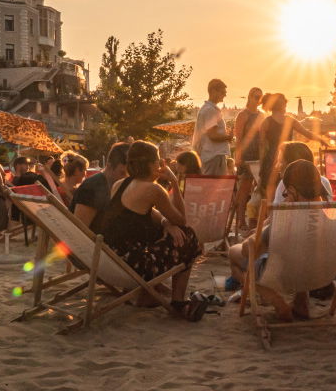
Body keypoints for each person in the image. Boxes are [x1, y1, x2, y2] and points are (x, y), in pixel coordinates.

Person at [103, 141, 202, 313]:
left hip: (113, 259)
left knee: (168, 232)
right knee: (188, 236)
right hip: (135, 266)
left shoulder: (120, 184)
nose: (161, 164)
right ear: (150, 164)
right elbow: (182, 220)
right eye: (158, 160)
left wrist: (165, 223)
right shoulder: (153, 189)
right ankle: (178, 302)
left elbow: (142, 212)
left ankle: (146, 295)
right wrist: (173, 181)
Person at [227, 159, 326, 321]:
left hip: (282, 275)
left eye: (286, 192)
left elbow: (249, 249)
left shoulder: (286, 218)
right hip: (320, 275)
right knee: (304, 255)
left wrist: (268, 223)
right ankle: (302, 302)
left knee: (233, 254)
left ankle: (277, 302)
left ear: (292, 191)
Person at [258, 93, 330, 191]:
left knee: (270, 190)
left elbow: (262, 146)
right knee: (290, 187)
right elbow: (306, 133)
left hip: (271, 159)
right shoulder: (289, 120)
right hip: (288, 157)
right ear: (282, 105)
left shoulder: (266, 122)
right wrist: (321, 140)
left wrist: (262, 165)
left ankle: (273, 205)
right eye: (285, 104)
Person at [71, 142, 130, 233]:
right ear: (109, 166)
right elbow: (78, 232)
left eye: (129, 174)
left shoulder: (115, 186)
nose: (125, 178)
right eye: (122, 173)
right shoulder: (92, 187)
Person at [233, 87, 265, 230]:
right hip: (246, 155)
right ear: (249, 97)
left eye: (260, 97)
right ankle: (240, 220)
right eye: (255, 96)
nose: (257, 99)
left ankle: (256, 219)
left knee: (260, 188)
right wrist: (238, 156)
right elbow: (238, 138)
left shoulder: (261, 115)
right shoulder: (243, 115)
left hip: (258, 155)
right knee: (244, 189)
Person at [192, 79, 233, 175]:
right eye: (223, 92)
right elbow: (213, 136)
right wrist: (228, 137)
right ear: (214, 91)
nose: (225, 95)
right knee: (214, 187)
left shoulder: (207, 109)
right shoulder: (211, 110)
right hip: (214, 155)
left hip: (209, 155)